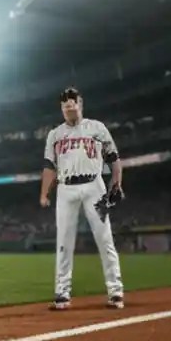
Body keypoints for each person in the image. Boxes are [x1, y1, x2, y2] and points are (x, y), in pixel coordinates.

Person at [38, 87, 125, 310]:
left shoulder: (97, 128)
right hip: (66, 189)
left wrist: (117, 182)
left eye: (72, 101)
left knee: (104, 238)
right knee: (64, 242)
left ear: (80, 104)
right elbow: (49, 165)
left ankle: (116, 292)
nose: (68, 105)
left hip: (95, 186)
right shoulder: (55, 134)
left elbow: (114, 158)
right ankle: (62, 294)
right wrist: (44, 192)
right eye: (64, 103)